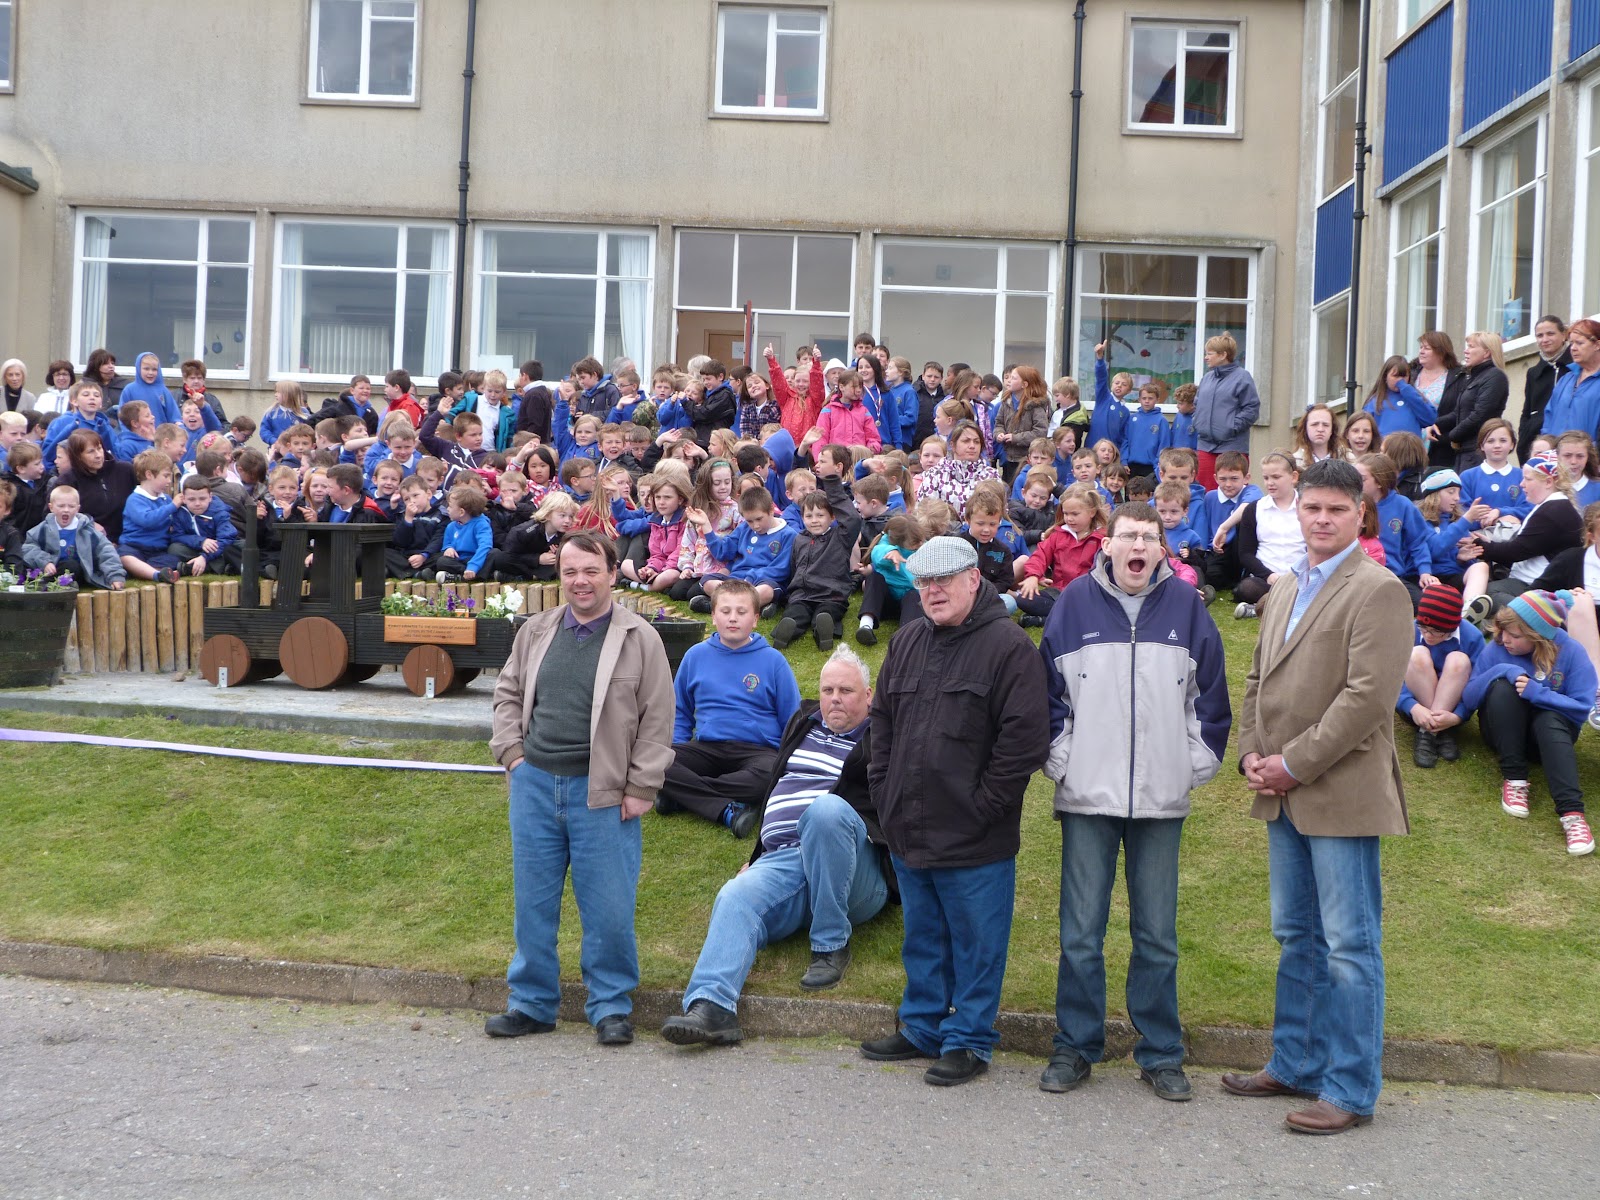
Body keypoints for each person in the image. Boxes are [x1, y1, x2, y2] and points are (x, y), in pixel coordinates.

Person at [1225, 458, 1413, 1135]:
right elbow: (1255, 677)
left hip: (1340, 792)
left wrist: (1292, 764)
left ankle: (1350, 1089)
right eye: (1313, 509)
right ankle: (1297, 1062)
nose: (1324, 520)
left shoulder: (1380, 590)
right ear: (1296, 512)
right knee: (1296, 934)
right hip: (1281, 787)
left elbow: (1367, 700)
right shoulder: (1285, 585)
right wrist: (1251, 751)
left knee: (1349, 945)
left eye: (1338, 509)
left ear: (1361, 514)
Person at [1039, 501, 1230, 1102]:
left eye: (1149, 537)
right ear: (1109, 544)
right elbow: (1047, 700)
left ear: (1162, 549)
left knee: (1156, 936)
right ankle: (1074, 1047)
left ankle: (1161, 1053)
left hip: (1160, 800)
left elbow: (1213, 702)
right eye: (1128, 536)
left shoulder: (1187, 608)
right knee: (1079, 935)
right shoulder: (1071, 605)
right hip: (1087, 796)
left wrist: (1187, 766)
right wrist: (1063, 761)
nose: (1138, 546)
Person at [859, 536, 1049, 1087]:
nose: (932, 591)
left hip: (975, 832)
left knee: (976, 941)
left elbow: (1024, 742)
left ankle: (969, 1038)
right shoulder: (908, 639)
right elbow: (884, 723)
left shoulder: (1009, 647)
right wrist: (884, 789)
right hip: (909, 821)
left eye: (944, 580)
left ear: (974, 579)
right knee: (923, 934)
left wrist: (986, 805)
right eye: (923, 582)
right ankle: (921, 1027)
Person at [485, 532, 675, 1045]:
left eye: (591, 571)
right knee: (534, 904)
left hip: (605, 792)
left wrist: (641, 786)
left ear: (613, 572)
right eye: (570, 572)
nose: (580, 581)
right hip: (535, 786)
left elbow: (658, 720)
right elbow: (508, 694)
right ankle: (531, 1003)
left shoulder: (640, 638)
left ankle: (610, 1006)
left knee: (609, 908)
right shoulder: (536, 631)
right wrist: (513, 755)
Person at [660, 647, 892, 1046]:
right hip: (785, 861)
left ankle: (830, 944)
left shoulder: (885, 737)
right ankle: (713, 1008)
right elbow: (775, 791)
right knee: (735, 896)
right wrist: (758, 857)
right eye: (827, 689)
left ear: (869, 696)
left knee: (826, 811)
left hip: (856, 867)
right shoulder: (804, 723)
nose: (835, 697)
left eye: (846, 690)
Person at [658, 579, 801, 835]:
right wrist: (676, 750)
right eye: (725, 611)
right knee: (658, 763)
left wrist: (785, 758)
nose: (732, 618)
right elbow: (679, 711)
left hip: (757, 752)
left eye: (741, 612)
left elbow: (792, 718)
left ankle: (683, 795)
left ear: (756, 619)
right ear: (713, 616)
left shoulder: (773, 661)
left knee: (768, 778)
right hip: (707, 748)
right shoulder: (695, 656)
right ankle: (728, 808)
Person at [1461, 592, 1596, 856]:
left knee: (1549, 717)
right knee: (1502, 688)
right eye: (1502, 631)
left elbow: (1582, 707)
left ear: (1539, 636)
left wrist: (1540, 694)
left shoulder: (1572, 652)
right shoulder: (1498, 647)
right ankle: (1515, 779)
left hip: (1547, 740)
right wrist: (1505, 671)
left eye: (1515, 635)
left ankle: (1573, 815)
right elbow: (1469, 696)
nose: (1504, 639)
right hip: (1502, 732)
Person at [1398, 583, 1485, 769]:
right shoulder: (1409, 631)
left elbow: (1477, 685)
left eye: (1437, 631)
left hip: (1452, 712)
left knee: (1459, 660)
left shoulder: (1473, 638)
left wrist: (1458, 716)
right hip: (1415, 709)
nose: (1428, 635)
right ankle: (1437, 731)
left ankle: (1428, 733)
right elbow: (1389, 678)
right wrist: (1411, 706)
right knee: (1416, 654)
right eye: (1423, 627)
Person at [20, 484, 127, 590]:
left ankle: (62, 584)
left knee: (71, 565)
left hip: (76, 571)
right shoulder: (43, 529)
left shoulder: (87, 531)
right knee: (23, 564)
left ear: (78, 509)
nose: (66, 510)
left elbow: (106, 551)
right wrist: (45, 562)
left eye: (71, 506)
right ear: (51, 507)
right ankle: (42, 583)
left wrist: (115, 576)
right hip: (50, 569)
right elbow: (28, 547)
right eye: (61, 506)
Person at [1192, 333, 1259, 489]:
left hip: (1232, 446)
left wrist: (1231, 427)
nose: (1205, 357)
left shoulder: (1243, 377)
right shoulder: (1207, 378)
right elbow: (1197, 405)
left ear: (1223, 355)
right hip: (1205, 447)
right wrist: (1198, 423)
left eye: (1209, 353)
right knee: (1205, 493)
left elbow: (1252, 409)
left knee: (1231, 491)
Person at [1435, 332, 1508, 470]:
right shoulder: (1473, 377)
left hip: (1477, 452)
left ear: (1486, 353)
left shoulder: (1495, 377)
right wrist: (1433, 425)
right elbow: (1457, 413)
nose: (1465, 351)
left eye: (1471, 347)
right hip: (1464, 452)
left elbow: (1480, 414)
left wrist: (1451, 436)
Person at [1520, 317, 1572, 460]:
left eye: (1550, 334)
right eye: (1540, 335)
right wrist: (1523, 443)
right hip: (1540, 445)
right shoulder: (1534, 373)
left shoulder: (1575, 368)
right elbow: (1527, 412)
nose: (1545, 339)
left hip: (1568, 443)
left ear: (1564, 335)